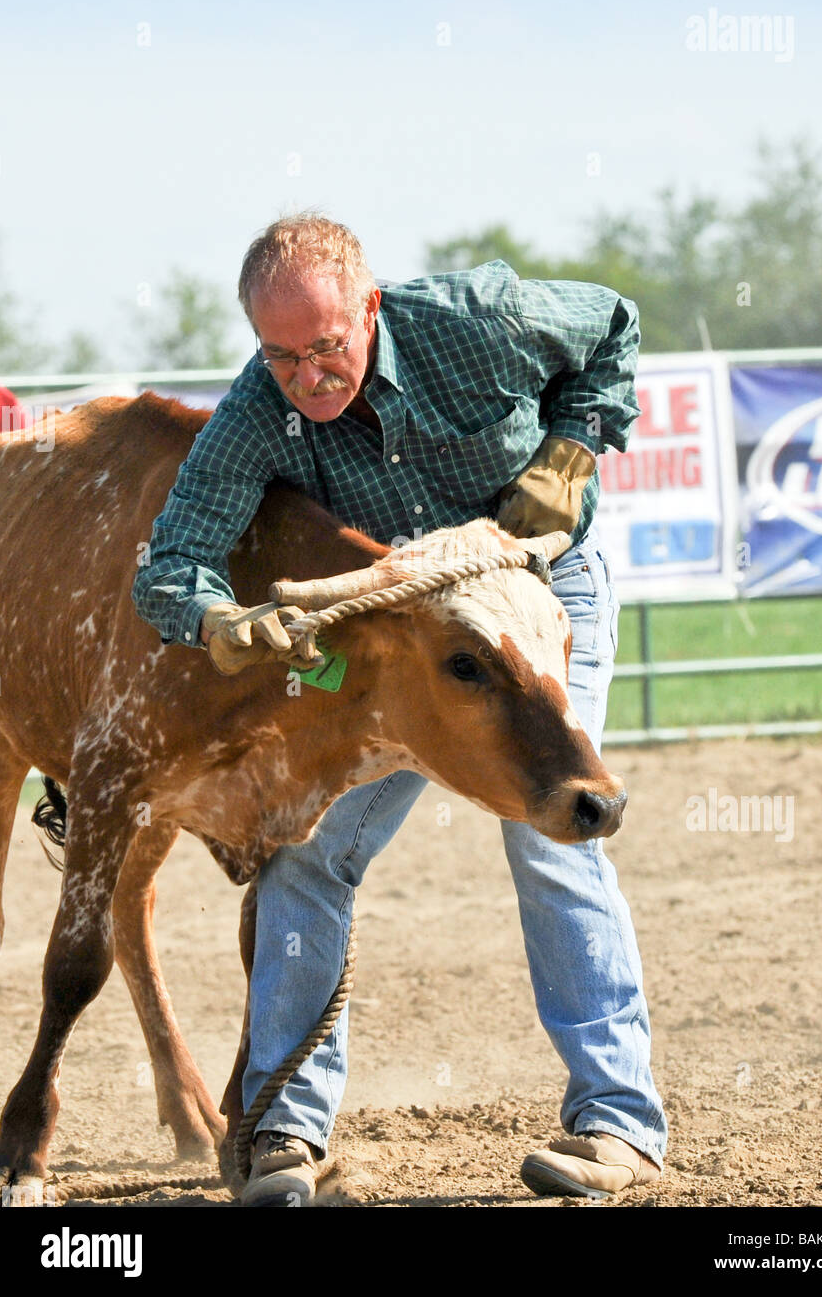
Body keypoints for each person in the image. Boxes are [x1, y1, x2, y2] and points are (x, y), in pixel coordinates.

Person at [132, 214, 667, 1206]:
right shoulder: (259, 410)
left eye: (326, 345)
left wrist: (568, 452)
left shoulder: (480, 319)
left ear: (369, 308)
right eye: (279, 355)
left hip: (533, 590)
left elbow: (612, 327)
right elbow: (172, 562)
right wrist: (222, 622)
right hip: (403, 626)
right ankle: (286, 1131)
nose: (306, 376)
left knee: (552, 824)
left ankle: (616, 1123)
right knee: (308, 844)